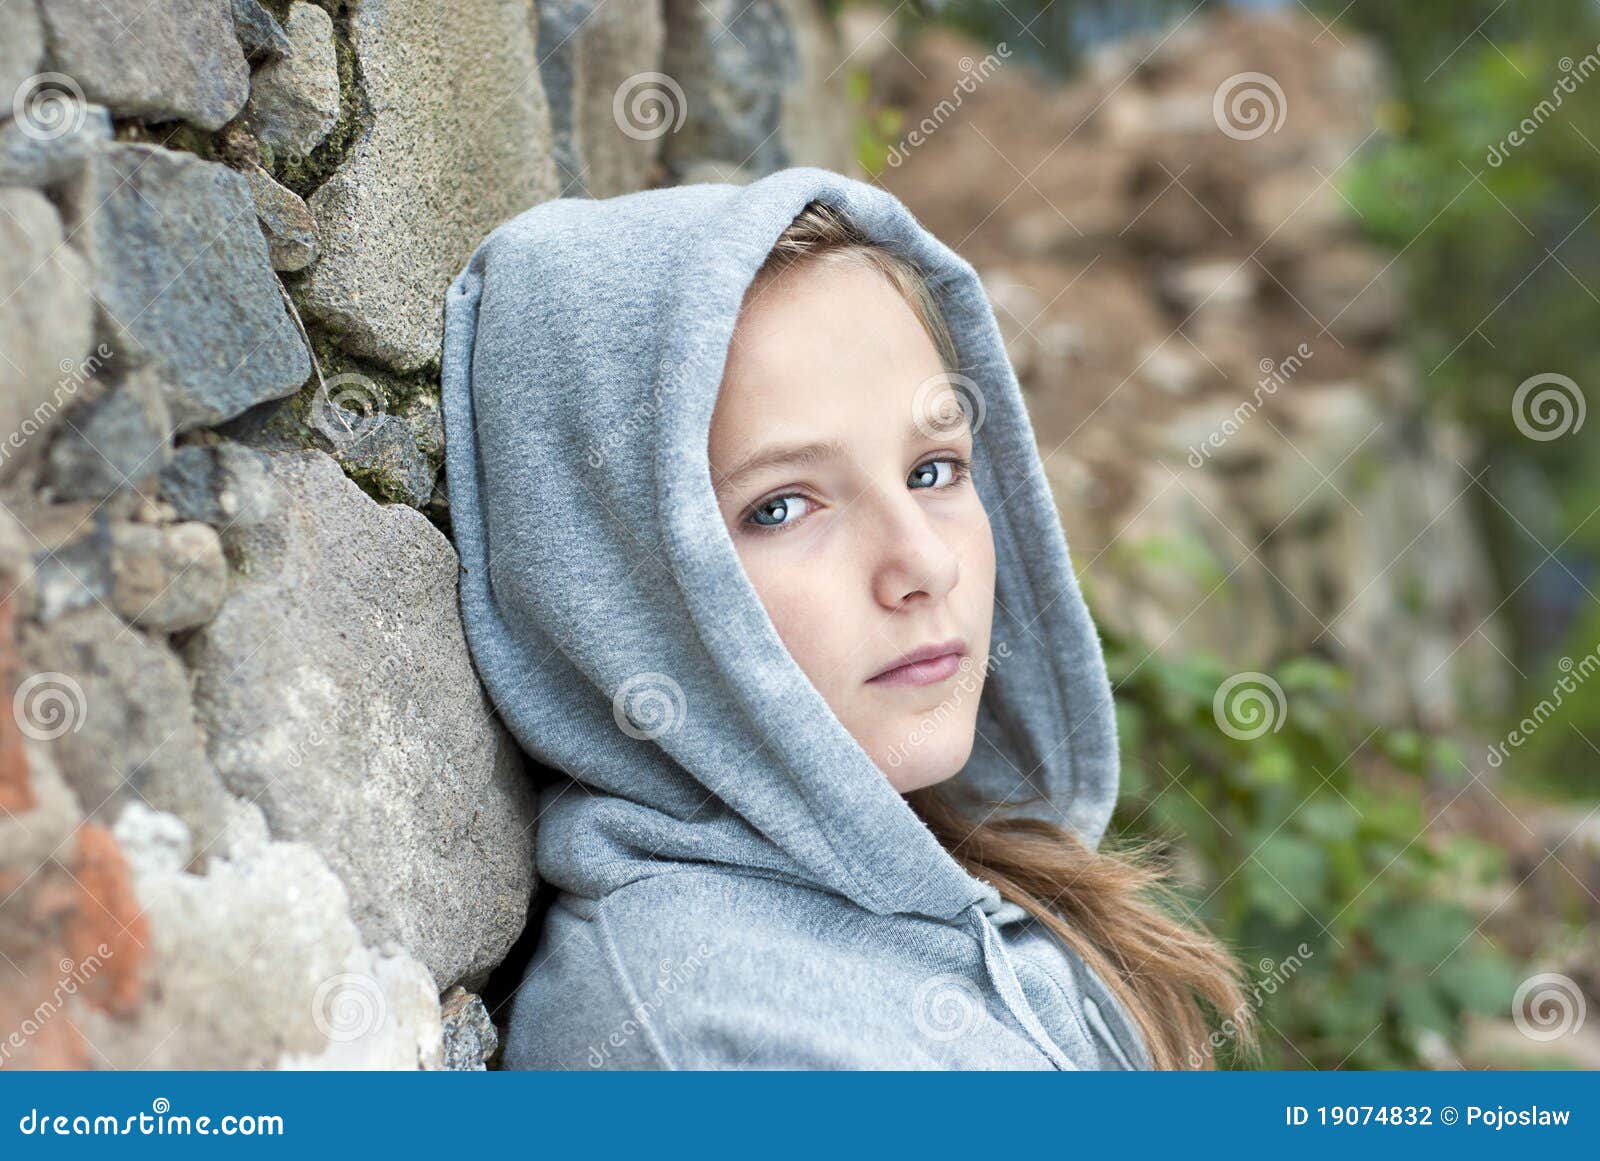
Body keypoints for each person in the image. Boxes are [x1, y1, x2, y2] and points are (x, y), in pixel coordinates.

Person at [441, 166, 1253, 1069]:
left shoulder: (965, 868)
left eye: (933, 469)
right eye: (782, 506)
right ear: (614, 585)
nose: (925, 564)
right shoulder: (705, 1040)